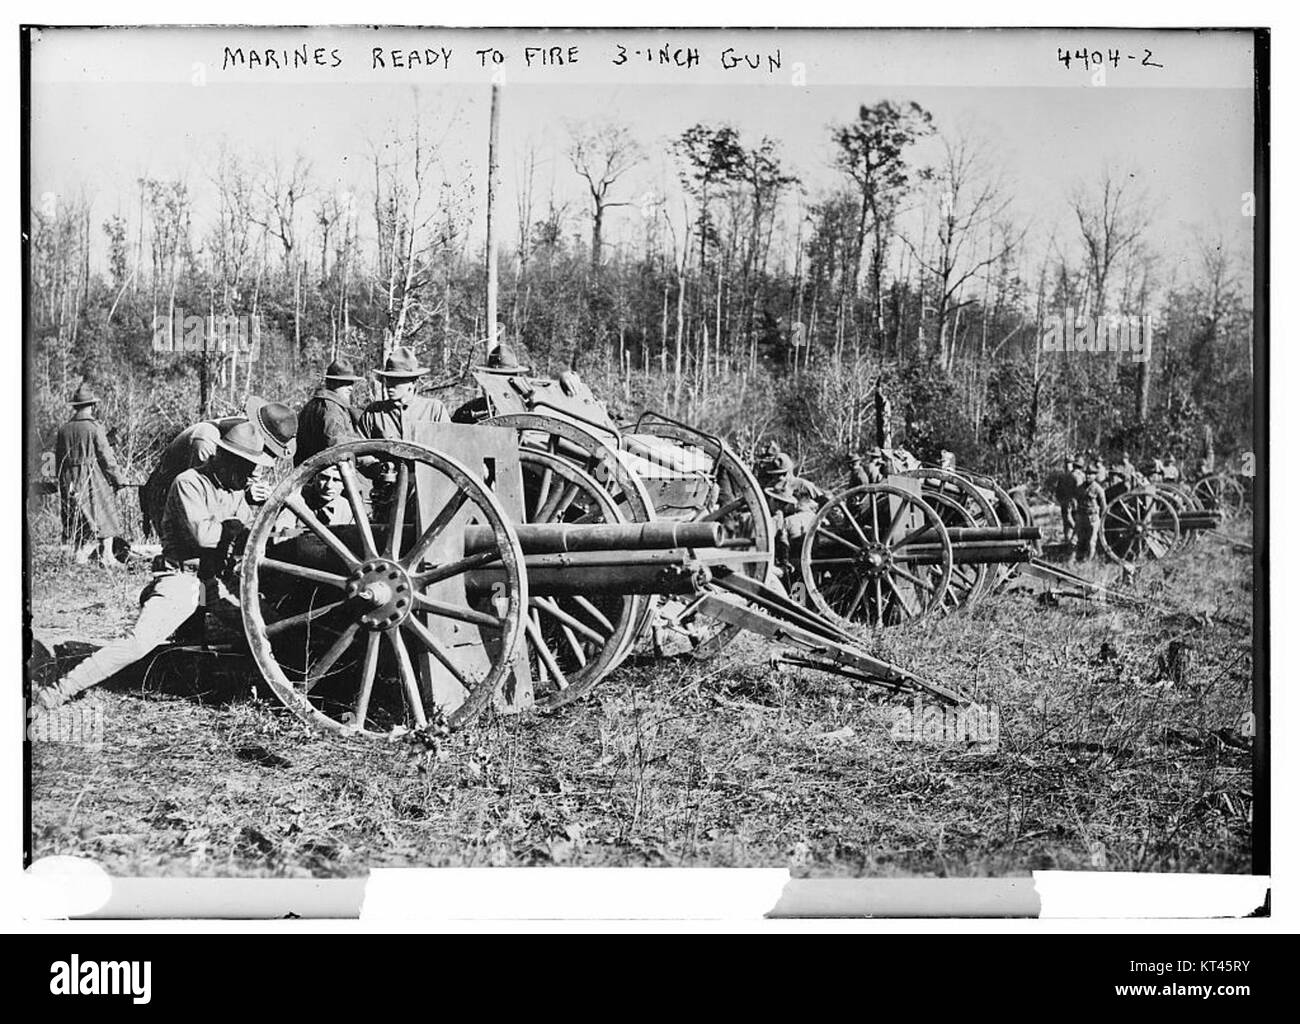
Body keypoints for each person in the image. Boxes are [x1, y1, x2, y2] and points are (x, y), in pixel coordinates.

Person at [30, 420, 274, 714]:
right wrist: (237, 527)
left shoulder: (235, 489)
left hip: (211, 584)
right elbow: (204, 535)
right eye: (247, 468)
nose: (250, 476)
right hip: (182, 582)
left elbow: (243, 535)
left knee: (269, 626)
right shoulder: (189, 483)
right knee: (137, 644)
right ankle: (59, 691)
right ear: (227, 460)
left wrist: (258, 511)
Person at [141, 397, 296, 537]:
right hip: (169, 497)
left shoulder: (252, 443)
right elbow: (206, 496)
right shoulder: (207, 441)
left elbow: (244, 486)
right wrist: (245, 496)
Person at [55, 384, 128, 566]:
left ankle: (78, 556)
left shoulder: (64, 429)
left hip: (68, 478)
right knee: (105, 512)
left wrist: (61, 481)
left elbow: (58, 460)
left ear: (75, 407)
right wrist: (119, 480)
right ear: (91, 406)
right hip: (91, 475)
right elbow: (106, 457)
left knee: (75, 517)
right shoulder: (94, 427)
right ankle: (107, 556)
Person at [358, 346, 449, 441]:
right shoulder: (374, 412)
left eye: (397, 380)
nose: (389, 385)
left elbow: (448, 446)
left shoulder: (434, 410)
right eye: (388, 379)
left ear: (413, 382)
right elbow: (360, 448)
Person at [759, 452, 825, 570]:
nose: (778, 478)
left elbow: (825, 500)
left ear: (788, 472)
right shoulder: (773, 487)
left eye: (781, 474)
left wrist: (824, 519)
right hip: (784, 525)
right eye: (775, 475)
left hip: (803, 523)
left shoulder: (802, 485)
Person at [295, 358, 363, 466]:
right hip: (325, 475)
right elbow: (338, 446)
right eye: (345, 383)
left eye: (351, 383)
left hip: (307, 473)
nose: (350, 388)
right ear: (333, 383)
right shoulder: (331, 409)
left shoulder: (314, 404)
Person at [271, 464, 355, 540]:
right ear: (314, 477)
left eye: (337, 480)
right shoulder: (295, 498)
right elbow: (280, 537)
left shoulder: (346, 507)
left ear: (345, 484)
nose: (329, 485)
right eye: (324, 478)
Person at [1075, 464, 1108, 562]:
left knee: (1091, 541)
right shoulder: (1080, 487)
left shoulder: (1098, 489)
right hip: (1082, 517)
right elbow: (1077, 500)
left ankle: (1089, 561)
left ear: (1095, 476)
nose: (1088, 476)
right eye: (1087, 474)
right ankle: (1079, 559)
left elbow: (1104, 507)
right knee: (1080, 539)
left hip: (1093, 518)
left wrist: (1102, 522)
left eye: (1091, 474)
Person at [1054, 458, 1082, 548]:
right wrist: (1061, 500)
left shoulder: (1077, 476)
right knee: (1067, 525)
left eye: (1069, 463)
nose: (1067, 466)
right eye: (1066, 464)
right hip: (1066, 503)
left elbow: (1080, 490)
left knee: (1074, 522)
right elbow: (1058, 491)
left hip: (1076, 503)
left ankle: (1075, 544)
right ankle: (1068, 544)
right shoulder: (1062, 477)